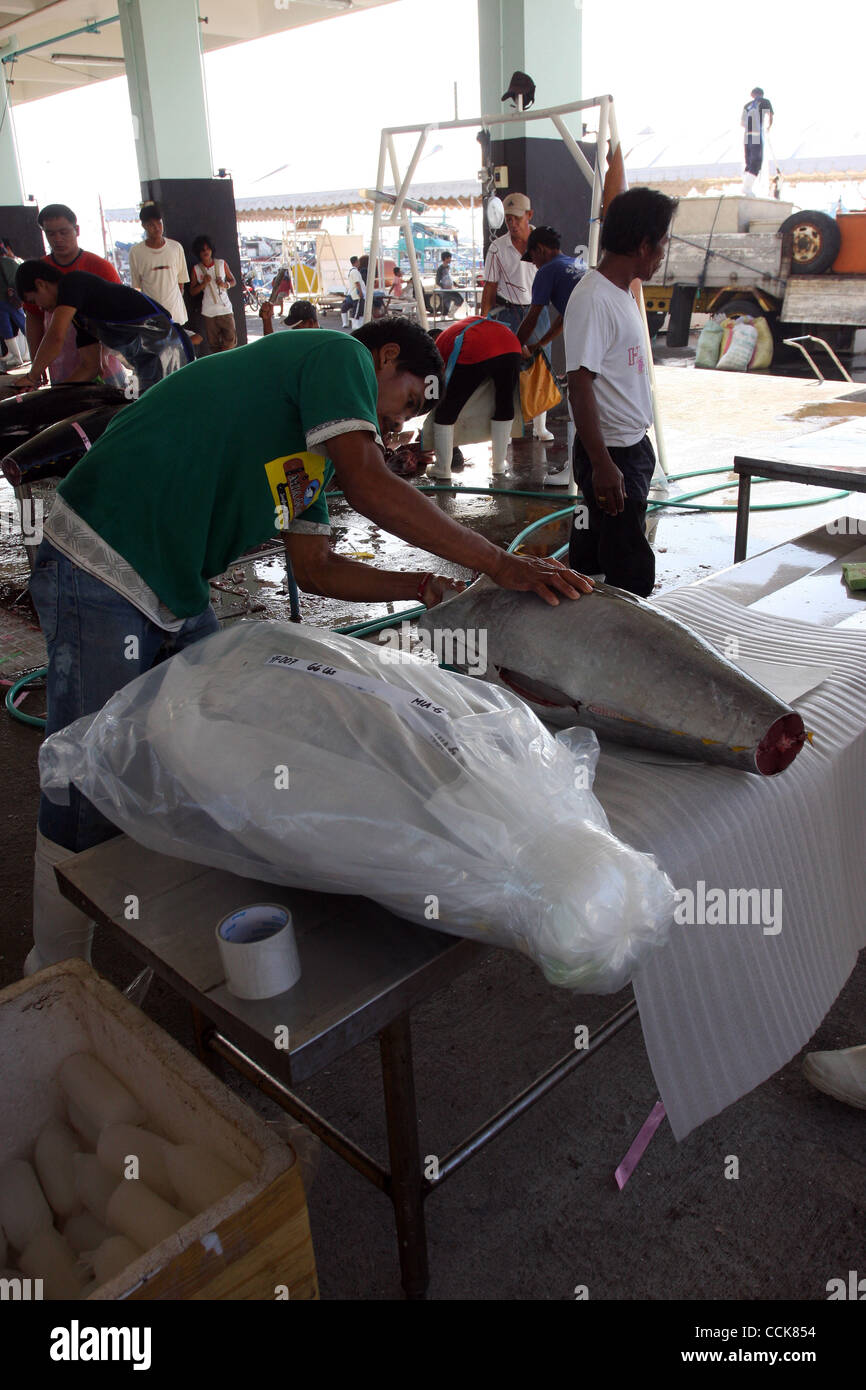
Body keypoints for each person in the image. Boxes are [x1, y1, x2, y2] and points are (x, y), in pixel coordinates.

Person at [24, 316, 592, 972]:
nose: (398, 426)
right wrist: (499, 562)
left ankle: (157, 917)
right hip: (101, 552)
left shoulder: (307, 463)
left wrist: (421, 585)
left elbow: (316, 569)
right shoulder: (336, 355)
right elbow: (370, 483)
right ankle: (56, 966)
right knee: (78, 772)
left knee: (208, 720)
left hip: (172, 590)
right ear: (383, 357)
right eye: (408, 402)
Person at [563, 186, 676, 597]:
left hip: (629, 448)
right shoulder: (594, 299)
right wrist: (602, 465)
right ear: (643, 244)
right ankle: (628, 640)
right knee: (629, 566)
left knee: (595, 549)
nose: (663, 253)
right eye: (662, 242)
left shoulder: (622, 291)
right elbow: (579, 387)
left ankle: (589, 626)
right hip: (612, 455)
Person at [15, 261, 193, 395]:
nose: (38, 307)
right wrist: (54, 394)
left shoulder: (73, 282)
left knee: (171, 414)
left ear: (41, 284)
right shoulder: (82, 319)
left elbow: (55, 337)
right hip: (146, 366)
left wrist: (32, 376)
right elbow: (91, 367)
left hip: (171, 353)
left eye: (33, 300)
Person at [23, 203, 124, 385]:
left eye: (64, 232)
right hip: (61, 364)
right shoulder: (37, 270)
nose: (58, 239)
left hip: (105, 367)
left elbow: (117, 320)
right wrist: (36, 366)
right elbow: (34, 318)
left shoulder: (100, 267)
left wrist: (101, 358)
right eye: (51, 234)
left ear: (76, 230)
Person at [480, 192, 553, 440]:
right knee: (506, 370)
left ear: (529, 216)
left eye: (516, 219)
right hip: (508, 313)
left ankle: (541, 425)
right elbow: (489, 286)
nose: (512, 224)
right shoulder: (497, 248)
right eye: (508, 219)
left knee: (541, 366)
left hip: (537, 310)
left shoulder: (544, 243)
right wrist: (482, 320)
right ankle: (508, 427)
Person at [518, 226, 585, 482]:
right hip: (600, 331)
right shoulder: (576, 265)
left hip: (586, 335)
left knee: (579, 398)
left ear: (541, 250)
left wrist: (514, 346)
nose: (533, 265)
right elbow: (565, 316)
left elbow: (533, 316)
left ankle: (574, 471)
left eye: (532, 258)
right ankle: (577, 467)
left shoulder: (547, 270)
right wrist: (539, 344)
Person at [429, 317, 522, 479]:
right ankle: (499, 466)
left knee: (446, 410)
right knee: (504, 403)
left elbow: (436, 386)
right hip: (511, 344)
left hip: (475, 347)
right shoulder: (456, 329)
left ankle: (442, 469)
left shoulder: (438, 345)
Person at [128, 202, 189, 327]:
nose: (157, 228)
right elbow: (137, 287)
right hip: (152, 317)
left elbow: (181, 281)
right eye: (151, 225)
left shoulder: (176, 247)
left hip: (176, 315)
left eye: (159, 223)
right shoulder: (136, 252)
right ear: (144, 226)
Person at [190, 235, 237, 352]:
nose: (206, 252)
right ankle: (220, 367)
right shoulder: (196, 269)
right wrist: (203, 284)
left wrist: (225, 285)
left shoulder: (221, 263)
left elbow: (233, 281)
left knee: (231, 341)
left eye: (208, 249)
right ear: (198, 252)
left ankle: (226, 362)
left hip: (225, 309)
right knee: (213, 345)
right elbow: (192, 291)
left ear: (211, 249)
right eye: (202, 250)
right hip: (209, 312)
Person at [0, 239, 29, 368]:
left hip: (5, 300)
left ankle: (18, 356)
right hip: (10, 299)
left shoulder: (7, 263)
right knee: (22, 324)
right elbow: (17, 279)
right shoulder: (9, 262)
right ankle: (27, 354)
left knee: (6, 328)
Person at [741, 87, 774, 193]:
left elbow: (742, 123)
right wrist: (768, 127)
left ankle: (746, 186)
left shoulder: (747, 105)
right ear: (761, 94)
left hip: (747, 135)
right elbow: (770, 116)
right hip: (756, 133)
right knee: (756, 162)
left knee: (749, 162)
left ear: (752, 95)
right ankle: (747, 187)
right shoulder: (765, 102)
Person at [434, 251, 463, 318]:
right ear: (445, 258)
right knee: (455, 300)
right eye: (449, 258)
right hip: (445, 290)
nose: (450, 259)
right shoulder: (440, 269)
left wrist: (456, 284)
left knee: (457, 300)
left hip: (450, 288)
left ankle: (450, 314)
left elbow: (449, 278)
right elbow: (437, 281)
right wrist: (444, 286)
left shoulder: (448, 267)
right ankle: (449, 315)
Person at [342, 255, 363, 329]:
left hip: (352, 294)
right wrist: (360, 292)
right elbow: (357, 283)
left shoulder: (352, 271)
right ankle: (355, 326)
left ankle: (348, 324)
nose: (359, 263)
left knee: (356, 311)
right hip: (356, 294)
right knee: (357, 311)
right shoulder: (354, 272)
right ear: (356, 262)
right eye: (358, 261)